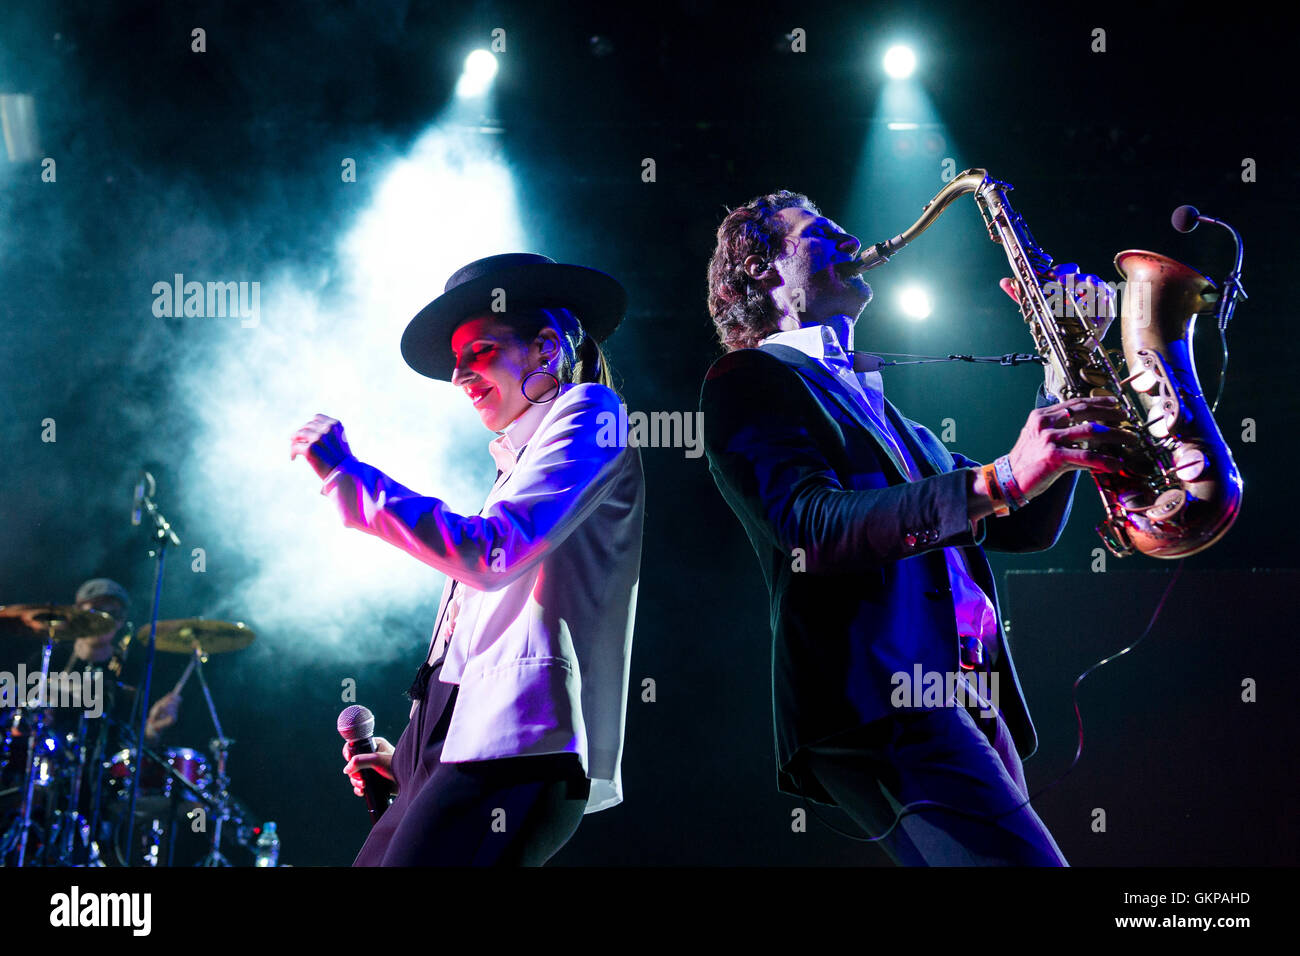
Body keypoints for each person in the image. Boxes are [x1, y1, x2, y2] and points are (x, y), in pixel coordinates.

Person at [699, 191, 1129, 866]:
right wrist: (1002, 479)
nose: (850, 239)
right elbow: (811, 527)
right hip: (882, 694)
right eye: (821, 232)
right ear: (758, 267)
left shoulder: (899, 422)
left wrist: (1066, 373)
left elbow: (1024, 528)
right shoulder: (745, 379)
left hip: (963, 695)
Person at [292, 253, 644, 866]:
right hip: (457, 752)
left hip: (514, 755)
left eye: (478, 351)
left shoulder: (593, 414)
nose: (459, 376)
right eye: (458, 361)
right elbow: (473, 641)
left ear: (545, 347)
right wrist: (406, 758)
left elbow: (491, 552)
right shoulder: (518, 459)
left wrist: (349, 478)